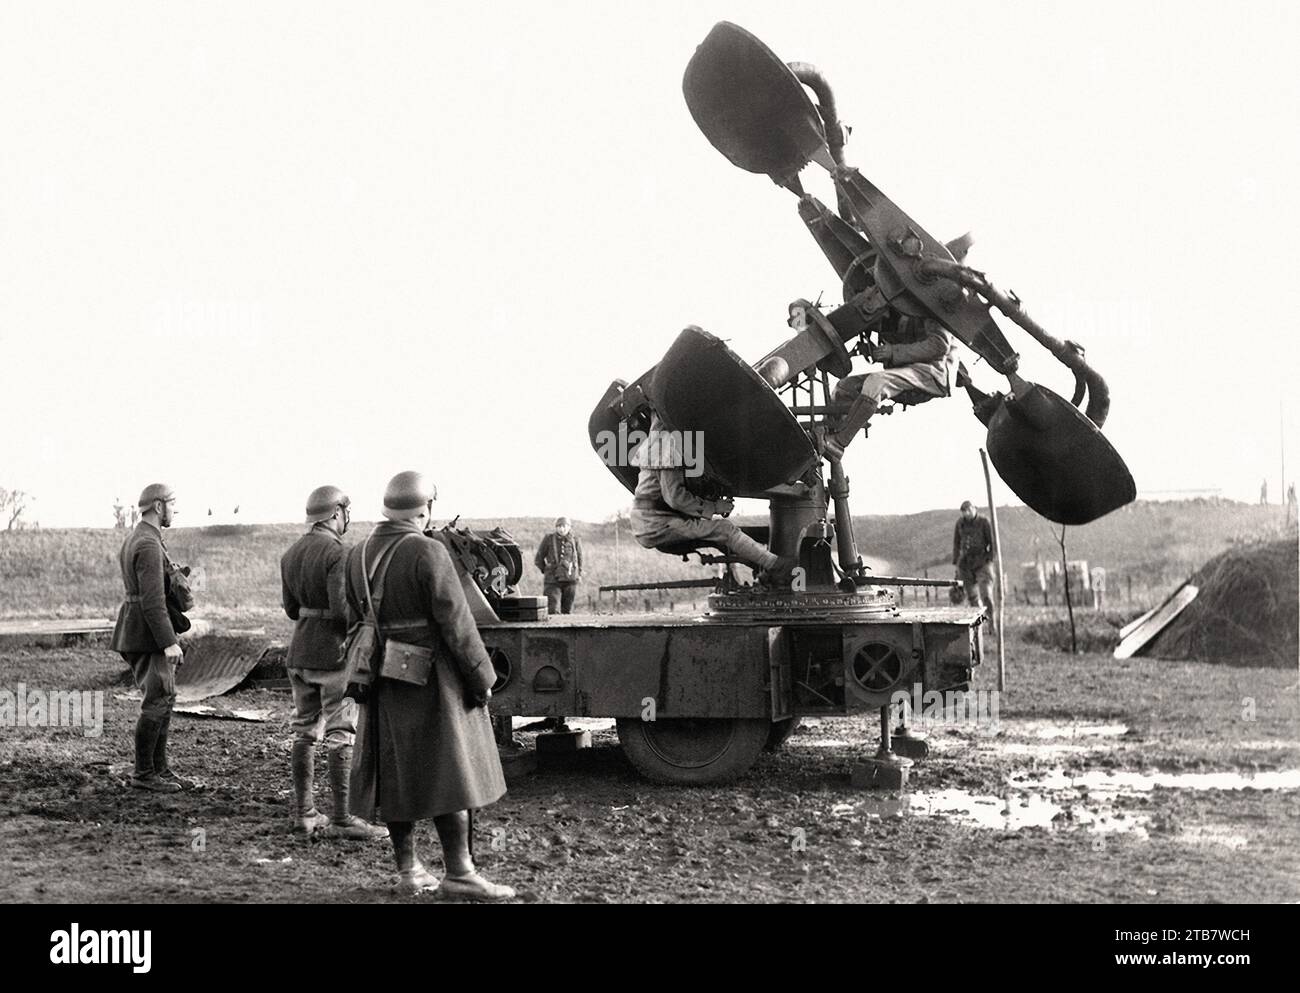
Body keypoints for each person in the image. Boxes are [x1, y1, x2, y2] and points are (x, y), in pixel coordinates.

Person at [345, 471, 514, 900]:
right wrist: (482, 679)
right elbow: (457, 626)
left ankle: (410, 871)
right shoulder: (428, 551)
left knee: (393, 775)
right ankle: (460, 872)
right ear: (424, 510)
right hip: (433, 681)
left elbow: (351, 621)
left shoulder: (356, 555)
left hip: (380, 680)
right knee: (451, 772)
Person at [280, 485, 386, 840]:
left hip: (299, 653)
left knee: (304, 732)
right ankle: (342, 819)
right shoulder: (339, 552)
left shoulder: (291, 553)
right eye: (346, 512)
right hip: (332, 656)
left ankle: (304, 814)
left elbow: (291, 609)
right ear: (336, 513)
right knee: (341, 734)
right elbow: (344, 611)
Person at [815, 237, 970, 461]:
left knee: (877, 383)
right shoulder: (905, 304)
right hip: (915, 369)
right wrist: (878, 350)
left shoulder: (936, 301)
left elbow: (939, 345)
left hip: (933, 373)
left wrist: (892, 352)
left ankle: (839, 444)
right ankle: (825, 437)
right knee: (844, 387)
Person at [629, 414, 791, 577]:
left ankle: (764, 568)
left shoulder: (659, 439)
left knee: (723, 536)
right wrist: (713, 507)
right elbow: (675, 498)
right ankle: (778, 566)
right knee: (725, 529)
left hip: (655, 520)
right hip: (656, 524)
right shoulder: (665, 443)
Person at [109, 483, 191, 793]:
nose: (175, 510)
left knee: (164, 697)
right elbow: (153, 600)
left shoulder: (139, 538)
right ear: (158, 506)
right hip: (146, 634)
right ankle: (144, 774)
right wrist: (168, 641)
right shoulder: (148, 544)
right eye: (172, 504)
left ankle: (160, 770)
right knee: (157, 699)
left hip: (140, 630)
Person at [952, 500, 995, 610]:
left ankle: (991, 623)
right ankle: (978, 624)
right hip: (966, 563)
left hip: (982, 561)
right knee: (972, 597)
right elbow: (956, 543)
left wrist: (989, 558)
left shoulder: (984, 522)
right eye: (964, 511)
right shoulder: (960, 523)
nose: (967, 513)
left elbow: (992, 542)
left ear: (974, 509)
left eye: (969, 510)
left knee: (986, 595)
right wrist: (956, 561)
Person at [535, 517, 583, 614]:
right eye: (559, 526)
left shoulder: (575, 540)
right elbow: (539, 558)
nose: (562, 529)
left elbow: (579, 557)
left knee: (568, 610)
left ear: (569, 527)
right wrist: (546, 570)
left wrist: (579, 573)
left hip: (570, 579)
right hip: (552, 580)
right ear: (556, 528)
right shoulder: (548, 539)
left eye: (564, 526)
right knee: (552, 610)